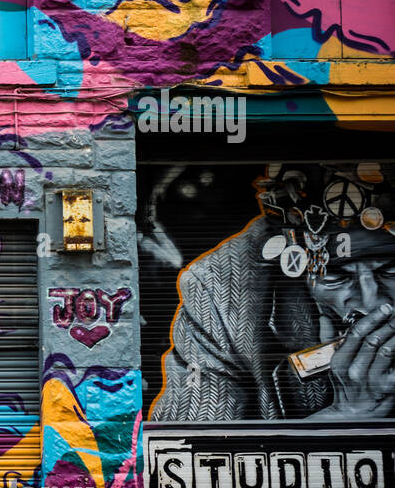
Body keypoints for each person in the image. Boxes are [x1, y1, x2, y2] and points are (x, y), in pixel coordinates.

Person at [152, 161, 395, 421]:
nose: (371, 302)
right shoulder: (223, 291)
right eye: (334, 276)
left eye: (391, 270)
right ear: (296, 265)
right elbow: (191, 449)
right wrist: (347, 414)